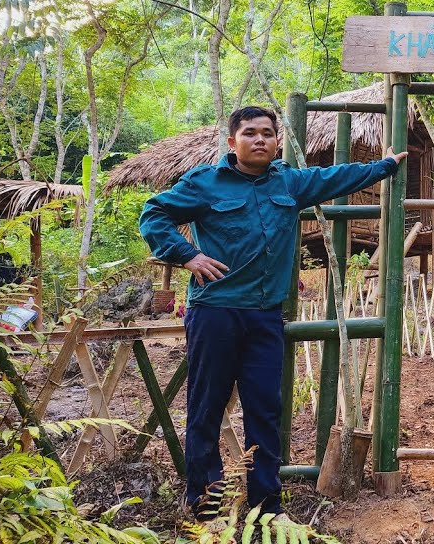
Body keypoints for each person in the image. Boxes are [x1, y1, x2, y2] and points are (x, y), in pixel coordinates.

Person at [140, 105, 406, 525]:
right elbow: (153, 214)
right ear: (233, 142)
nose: (259, 139)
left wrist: (385, 166)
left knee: (264, 410)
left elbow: (335, 177)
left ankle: (266, 506)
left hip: (265, 316)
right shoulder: (205, 183)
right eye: (250, 133)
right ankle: (204, 501)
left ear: (277, 141)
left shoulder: (289, 182)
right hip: (215, 312)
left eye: (267, 133)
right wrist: (188, 256)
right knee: (207, 407)